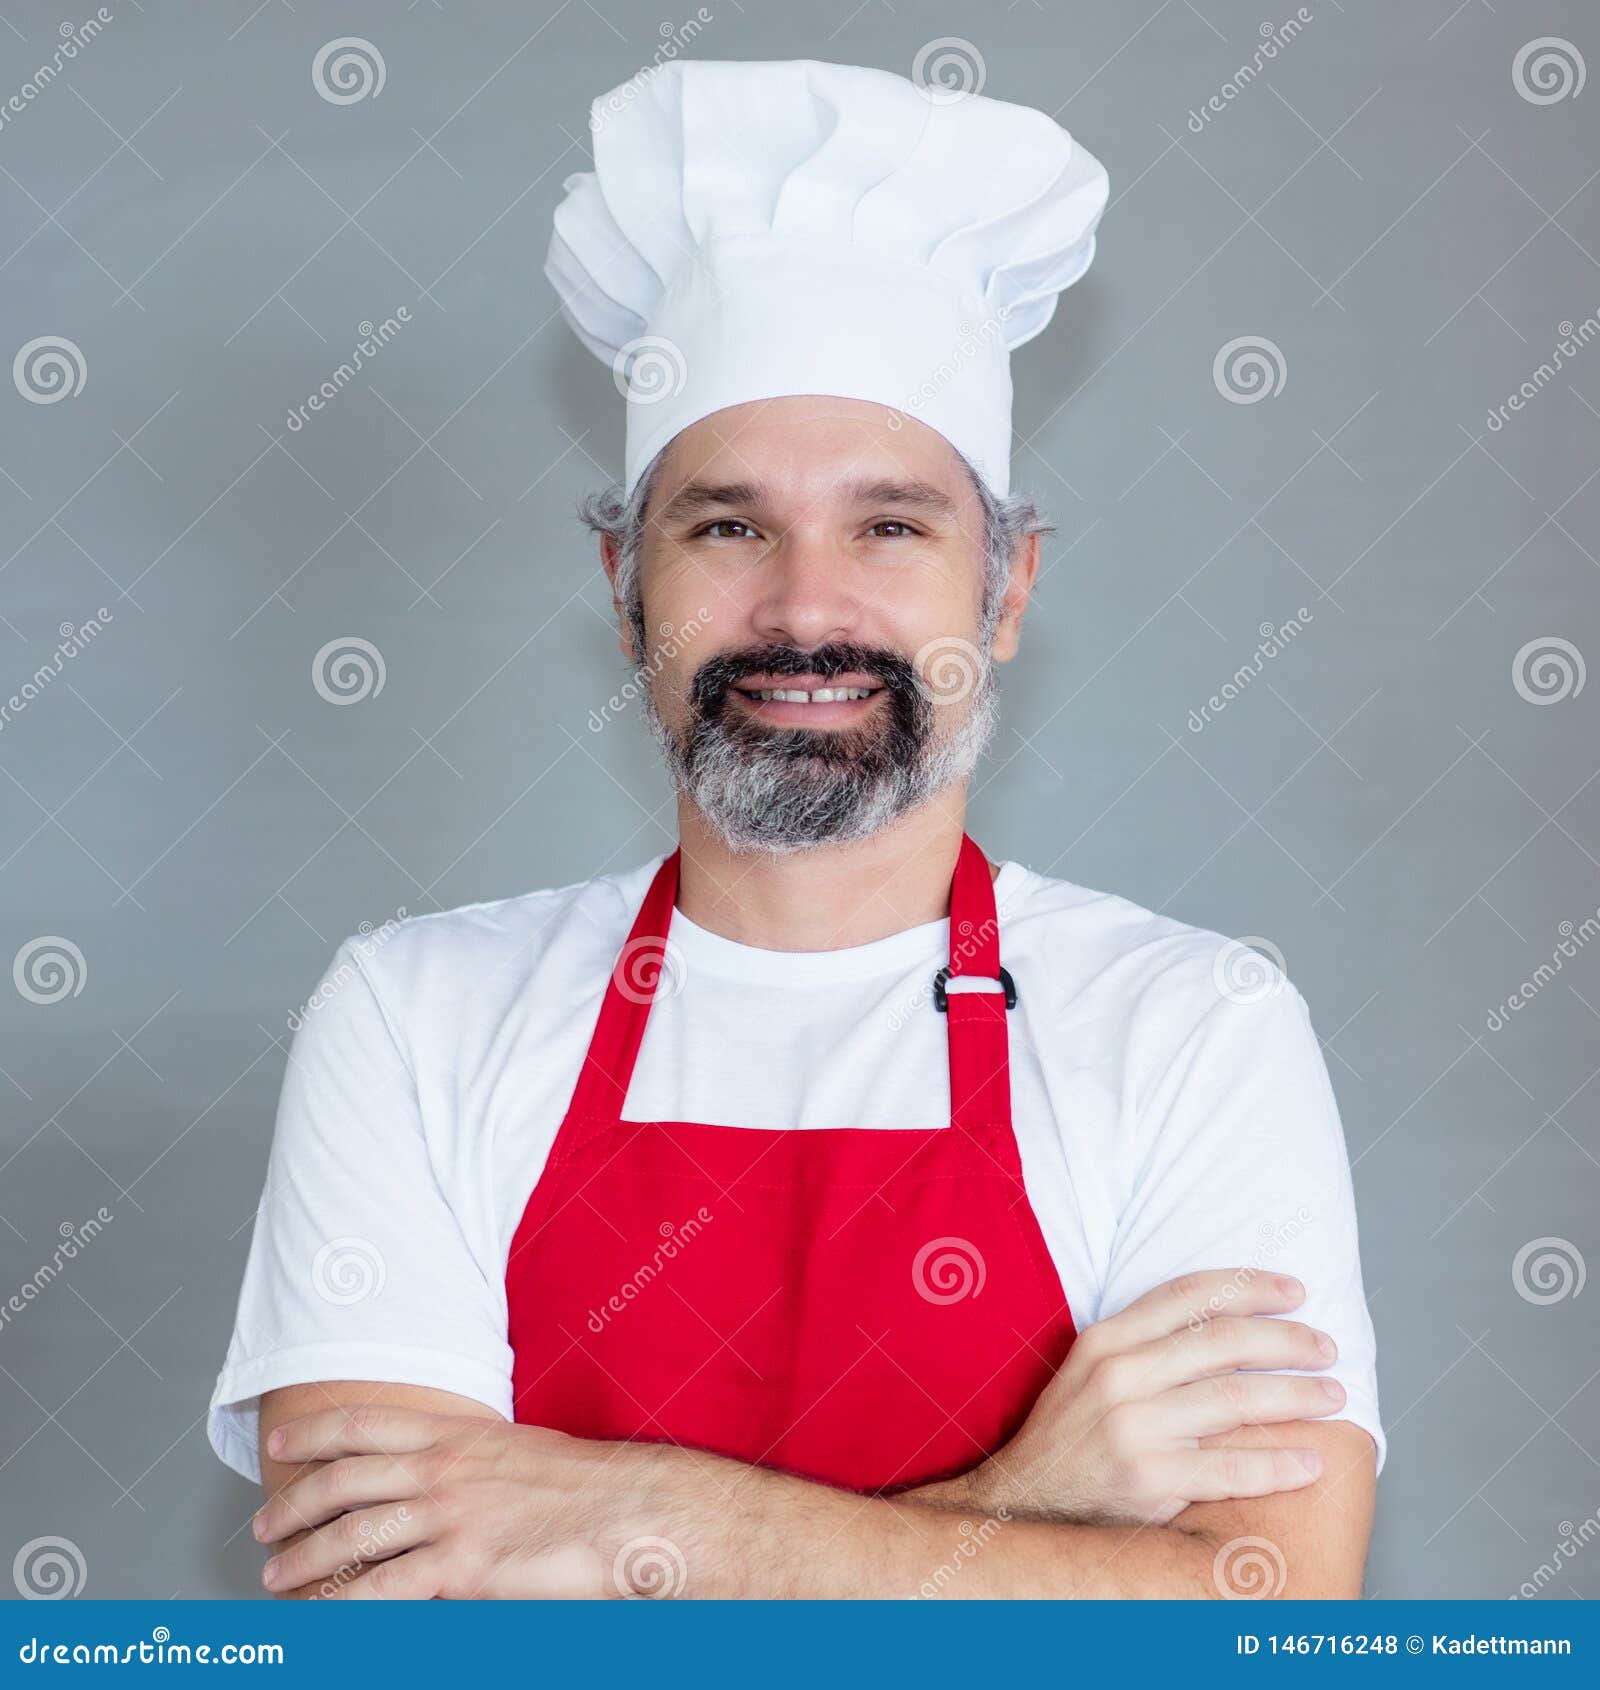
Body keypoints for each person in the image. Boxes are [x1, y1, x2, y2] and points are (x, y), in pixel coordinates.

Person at [210, 56, 1381, 1600]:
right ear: (625, 593)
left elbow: (1259, 1610)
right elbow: (397, 1604)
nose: (807, 606)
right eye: (728, 525)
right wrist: (1031, 1499)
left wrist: (637, 1525)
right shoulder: (415, 1011)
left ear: (1008, 591)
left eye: (890, 525)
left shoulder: (1191, 1027)